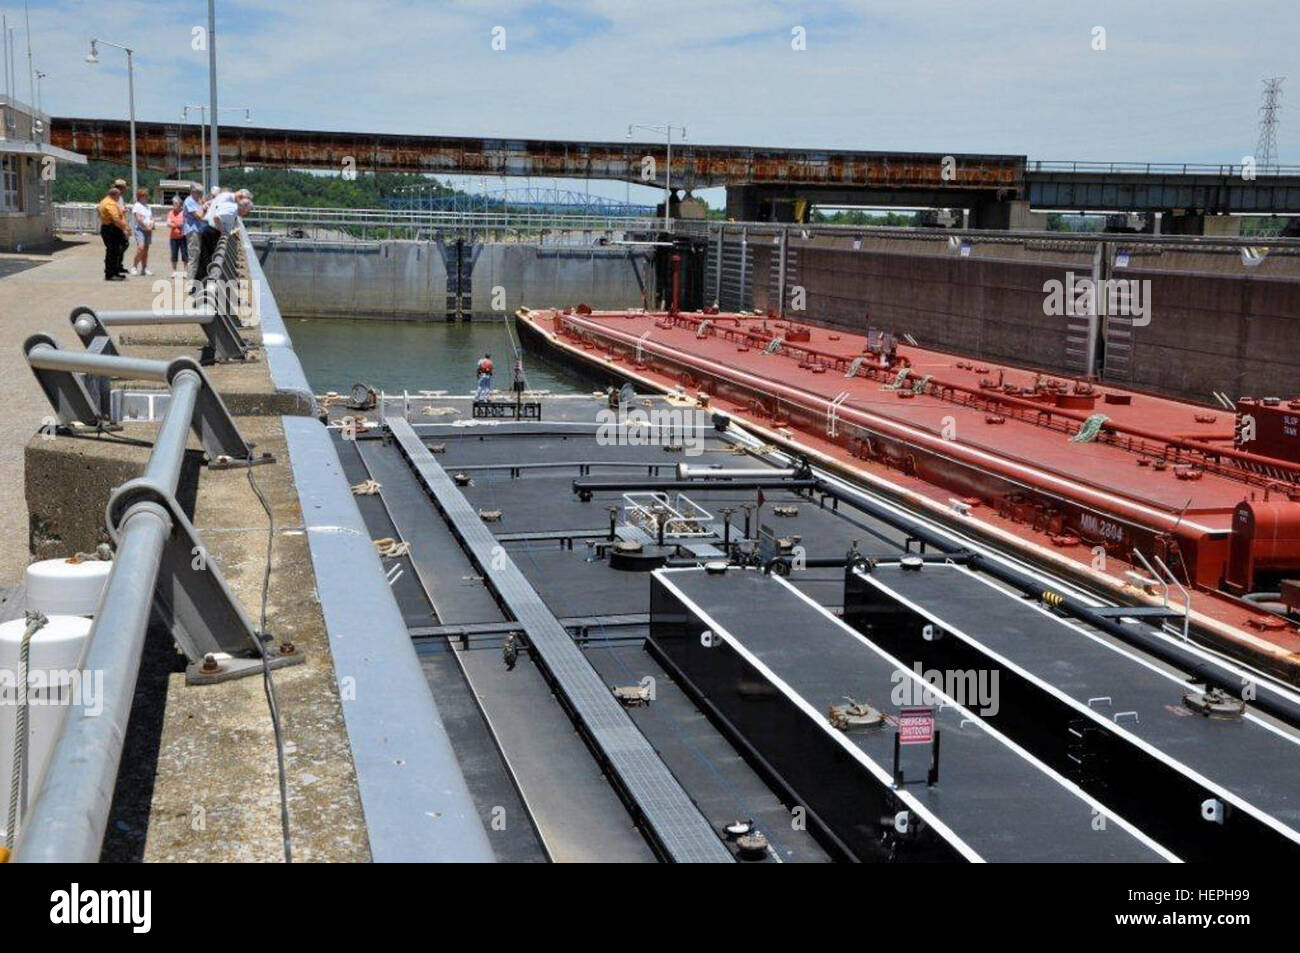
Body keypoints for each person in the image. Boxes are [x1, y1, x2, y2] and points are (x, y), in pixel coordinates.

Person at [97, 186, 129, 280]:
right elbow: (115, 219)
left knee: (115, 250)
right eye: (118, 196)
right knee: (113, 251)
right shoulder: (110, 203)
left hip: (108, 228)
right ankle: (110, 274)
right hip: (111, 229)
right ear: (114, 195)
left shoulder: (105, 201)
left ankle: (114, 271)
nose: (119, 197)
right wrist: (125, 228)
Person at [182, 184, 207, 287]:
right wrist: (205, 208)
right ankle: (190, 282)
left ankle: (194, 279)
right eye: (199, 193)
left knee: (196, 255)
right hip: (193, 231)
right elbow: (199, 216)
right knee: (193, 255)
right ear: (193, 192)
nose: (200, 195)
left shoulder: (196, 201)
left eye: (201, 193)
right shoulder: (190, 201)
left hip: (197, 230)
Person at [129, 188, 155, 276]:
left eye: (146, 196)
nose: (145, 197)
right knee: (141, 247)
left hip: (148, 229)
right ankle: (134, 266)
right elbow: (139, 218)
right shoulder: (137, 205)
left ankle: (144, 268)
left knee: (146, 249)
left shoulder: (148, 207)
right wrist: (146, 227)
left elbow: (151, 217)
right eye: (143, 196)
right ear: (139, 197)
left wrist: (152, 224)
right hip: (140, 229)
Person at [166, 196, 188, 274]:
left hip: (183, 237)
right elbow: (168, 224)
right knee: (174, 254)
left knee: (185, 254)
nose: (174, 205)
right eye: (173, 204)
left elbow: (185, 223)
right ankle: (174, 271)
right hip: (173, 238)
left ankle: (185, 271)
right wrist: (177, 224)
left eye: (176, 204)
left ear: (180, 204)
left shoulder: (184, 213)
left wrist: (174, 223)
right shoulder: (171, 213)